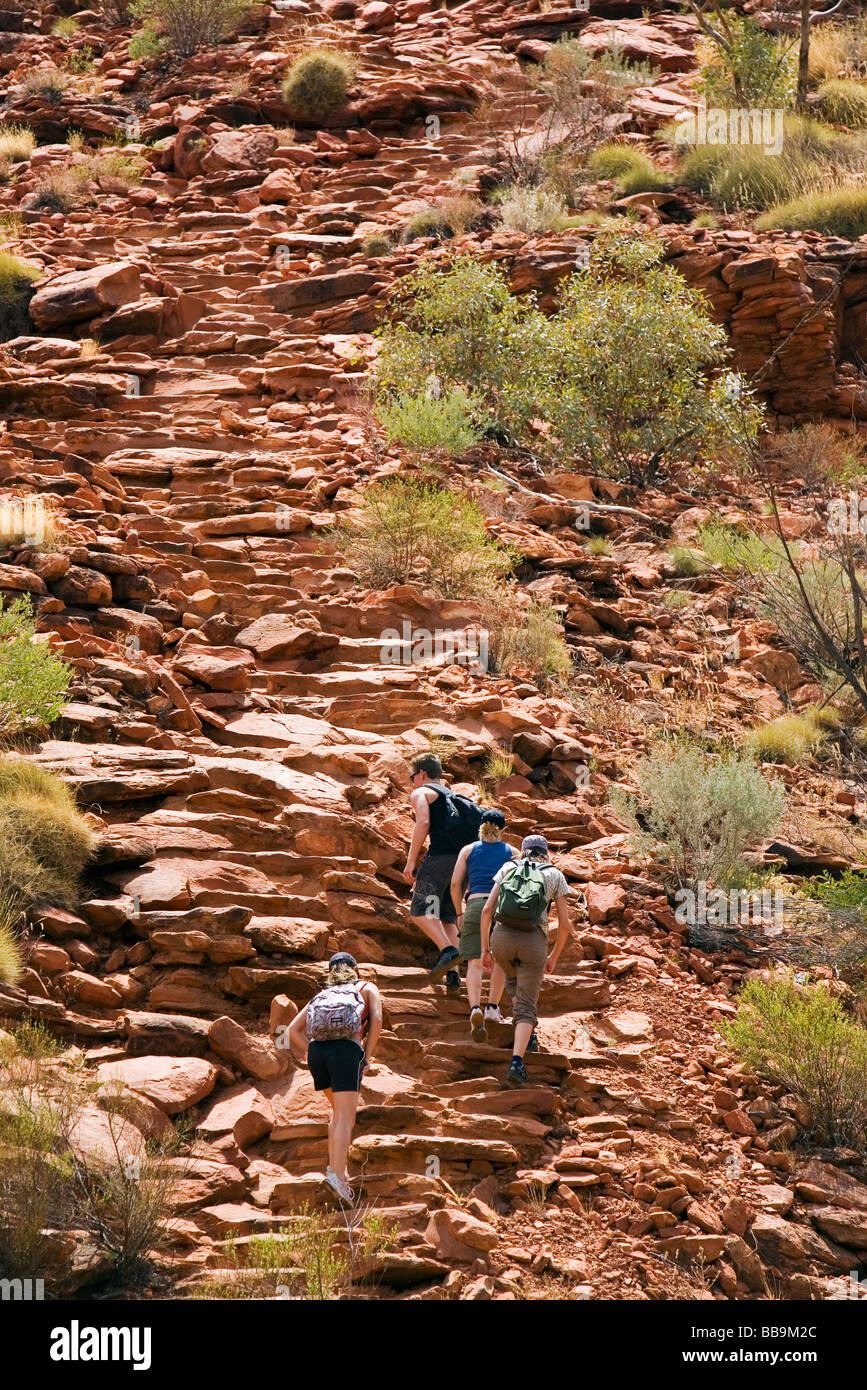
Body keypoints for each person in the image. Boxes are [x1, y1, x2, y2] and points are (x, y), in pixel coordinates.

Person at [286, 952, 382, 1204]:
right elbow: (378, 1021)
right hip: (346, 1051)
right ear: (355, 969)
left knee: (337, 1114)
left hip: (317, 1053)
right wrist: (367, 1056)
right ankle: (337, 1178)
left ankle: (334, 1171)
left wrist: (314, 1051)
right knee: (346, 1118)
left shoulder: (322, 994)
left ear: (331, 972)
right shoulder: (366, 987)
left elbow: (291, 1031)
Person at [480, 833, 572, 1088]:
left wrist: (484, 949)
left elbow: (487, 910)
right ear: (545, 852)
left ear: (523, 850)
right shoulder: (555, 875)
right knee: (527, 1005)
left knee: (512, 980)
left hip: (501, 938)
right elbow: (565, 925)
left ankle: (527, 1033)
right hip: (533, 941)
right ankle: (517, 1062)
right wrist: (553, 955)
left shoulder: (509, 867)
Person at [450, 809, 516, 1042]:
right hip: (501, 908)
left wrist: (459, 911)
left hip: (476, 904)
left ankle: (475, 1008)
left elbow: (456, 882)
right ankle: (492, 1008)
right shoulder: (512, 852)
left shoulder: (468, 850)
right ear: (503, 830)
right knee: (499, 961)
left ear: (480, 827)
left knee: (475, 963)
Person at [403, 752, 464, 990]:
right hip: (462, 863)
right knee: (446, 916)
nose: (413, 783)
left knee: (421, 911)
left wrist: (411, 862)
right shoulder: (456, 796)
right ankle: (454, 975)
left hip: (439, 858)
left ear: (422, 774)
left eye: (412, 777)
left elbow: (423, 823)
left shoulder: (422, 792)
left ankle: (448, 952)